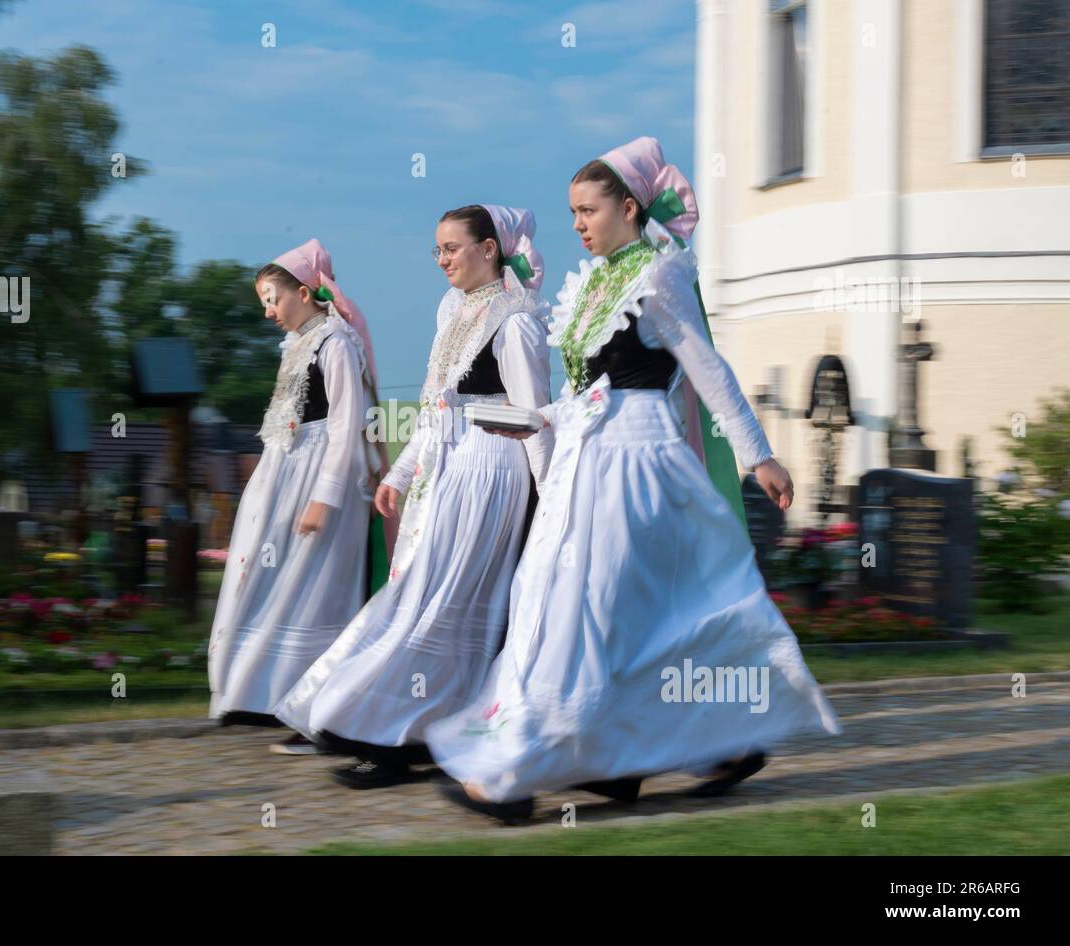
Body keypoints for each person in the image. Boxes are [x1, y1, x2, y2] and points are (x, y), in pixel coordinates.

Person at [426, 138, 841, 824]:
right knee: (592, 608)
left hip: (637, 461)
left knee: (582, 609)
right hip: (587, 461)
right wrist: (532, 420)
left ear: (628, 207)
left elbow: (706, 369)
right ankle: (679, 749)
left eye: (589, 209)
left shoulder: (660, 275)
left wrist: (756, 454)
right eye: (571, 212)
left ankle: (516, 774)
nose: (579, 223)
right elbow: (588, 392)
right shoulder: (593, 282)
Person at [276, 205, 555, 787]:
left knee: (444, 601)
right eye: (438, 250)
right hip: (446, 471)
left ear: (489, 249)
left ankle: (396, 730)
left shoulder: (518, 321)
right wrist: (398, 475)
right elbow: (434, 410)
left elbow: (535, 421)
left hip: (491, 472)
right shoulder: (451, 309)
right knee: (421, 596)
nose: (443, 260)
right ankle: (405, 725)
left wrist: (550, 496)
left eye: (453, 247)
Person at [207, 239, 382, 748]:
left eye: (273, 299)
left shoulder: (336, 342)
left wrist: (324, 496)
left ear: (303, 292)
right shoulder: (301, 343)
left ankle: (317, 705)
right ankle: (264, 694)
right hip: (287, 469)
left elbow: (347, 423)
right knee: (275, 583)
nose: (268, 312)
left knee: (316, 589)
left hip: (319, 476)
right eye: (264, 301)